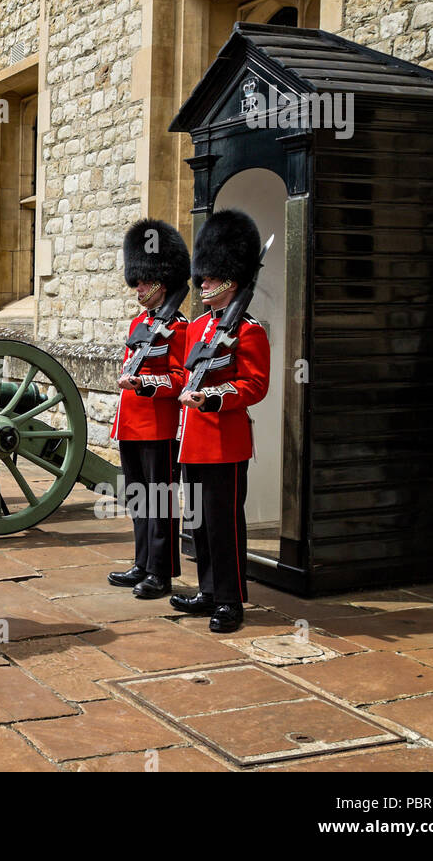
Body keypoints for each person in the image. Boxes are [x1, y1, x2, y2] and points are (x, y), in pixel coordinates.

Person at [174, 209, 271, 635]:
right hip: (192, 439)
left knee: (225, 523)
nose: (203, 285)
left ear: (230, 280)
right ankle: (208, 591)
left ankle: (231, 600)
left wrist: (211, 397)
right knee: (198, 521)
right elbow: (183, 371)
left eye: (210, 280)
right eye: (203, 279)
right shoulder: (196, 328)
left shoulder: (249, 330)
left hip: (225, 440)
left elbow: (254, 386)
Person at [109, 219, 189, 601]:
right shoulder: (140, 322)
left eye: (143, 282)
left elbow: (178, 379)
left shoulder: (180, 327)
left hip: (159, 425)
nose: (138, 288)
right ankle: (142, 562)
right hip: (131, 424)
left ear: (162, 281)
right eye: (136, 281)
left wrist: (143, 385)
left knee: (161, 502)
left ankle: (162, 571)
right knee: (139, 498)